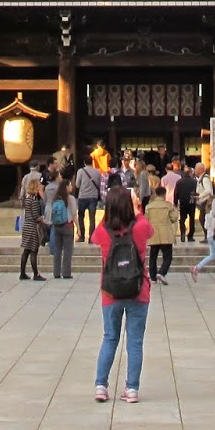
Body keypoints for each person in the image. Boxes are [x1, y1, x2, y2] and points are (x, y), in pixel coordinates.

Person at [94, 184, 153, 403]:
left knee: (110, 338)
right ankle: (132, 389)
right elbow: (150, 230)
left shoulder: (102, 230)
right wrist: (136, 209)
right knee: (135, 342)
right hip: (138, 290)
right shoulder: (140, 227)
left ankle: (101, 385)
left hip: (111, 292)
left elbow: (94, 237)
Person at [144, 184, 179, 284]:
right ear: (164, 194)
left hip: (153, 233)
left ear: (155, 194)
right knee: (167, 255)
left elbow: (145, 220)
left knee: (153, 256)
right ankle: (162, 272)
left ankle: (153, 278)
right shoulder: (168, 205)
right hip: (165, 232)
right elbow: (174, 218)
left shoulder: (149, 206)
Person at [20, 173, 47, 280]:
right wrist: (42, 219)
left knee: (26, 250)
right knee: (34, 250)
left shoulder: (27, 198)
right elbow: (36, 216)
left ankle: (22, 272)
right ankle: (36, 274)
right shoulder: (34, 200)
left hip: (27, 226)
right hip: (33, 227)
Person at [48, 175, 76, 279]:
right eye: (70, 185)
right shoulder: (71, 198)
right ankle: (66, 273)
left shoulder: (56, 198)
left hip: (57, 226)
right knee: (68, 250)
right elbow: (74, 214)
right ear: (67, 187)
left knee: (57, 249)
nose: (71, 187)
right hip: (67, 226)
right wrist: (78, 228)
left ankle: (56, 272)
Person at [75, 154, 104, 244]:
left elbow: (77, 185)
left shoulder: (80, 171)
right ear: (92, 162)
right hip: (93, 197)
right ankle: (92, 237)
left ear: (84, 162)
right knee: (92, 218)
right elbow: (99, 184)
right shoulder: (98, 172)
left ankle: (82, 236)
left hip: (82, 196)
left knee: (81, 216)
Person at [177, 163, 200, 242]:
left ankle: (182, 233)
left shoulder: (179, 182)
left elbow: (176, 192)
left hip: (182, 202)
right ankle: (190, 236)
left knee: (182, 219)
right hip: (191, 201)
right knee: (192, 219)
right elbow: (197, 191)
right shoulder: (194, 182)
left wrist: (175, 201)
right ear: (190, 173)